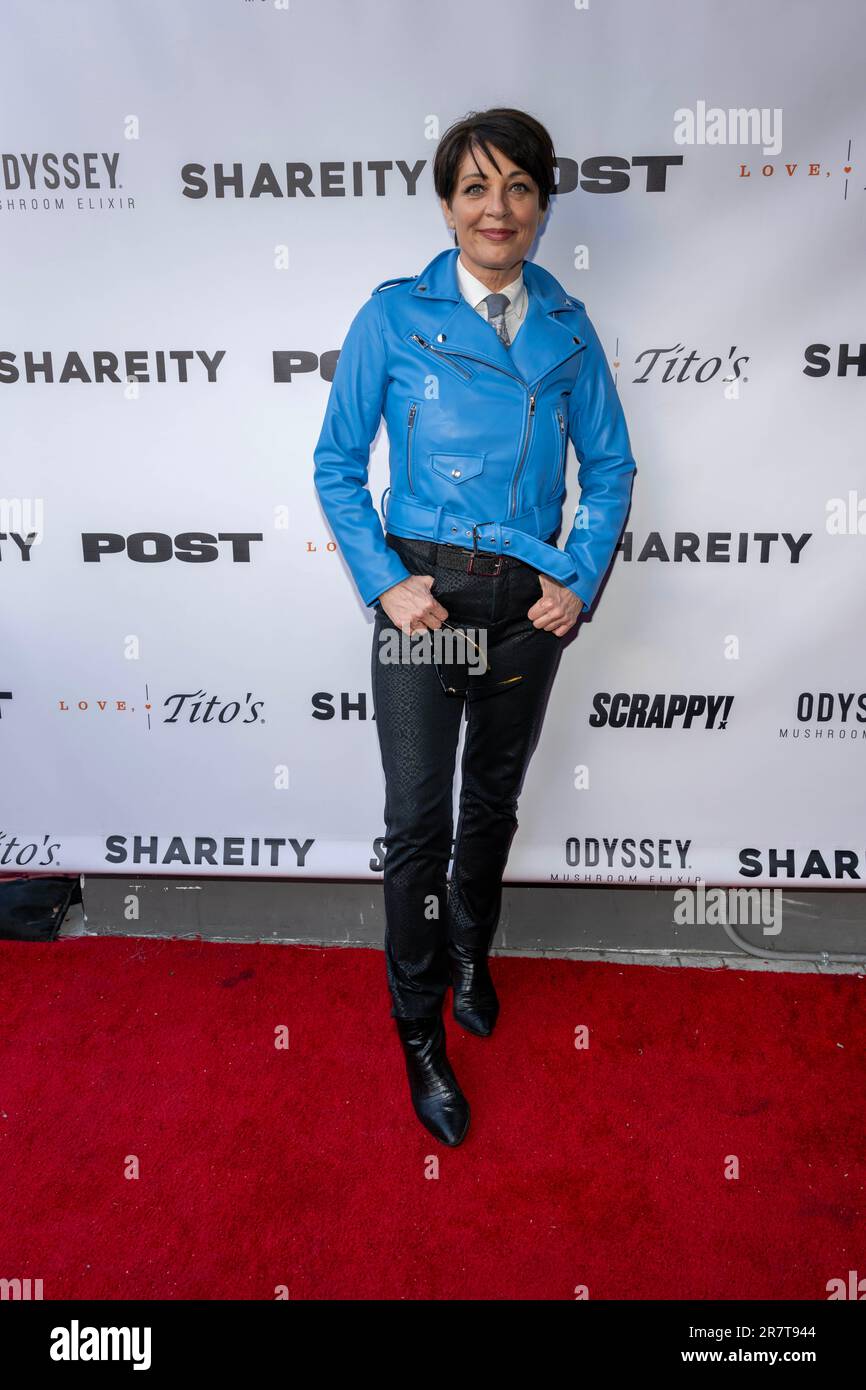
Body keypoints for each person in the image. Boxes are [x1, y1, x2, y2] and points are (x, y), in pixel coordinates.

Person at [314, 108, 637, 1147]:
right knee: (416, 820)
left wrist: (577, 580)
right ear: (446, 204)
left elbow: (611, 470)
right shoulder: (391, 317)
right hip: (429, 604)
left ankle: (468, 953)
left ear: (541, 207)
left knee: (490, 798)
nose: (496, 209)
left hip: (522, 612)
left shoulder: (570, 328)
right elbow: (334, 466)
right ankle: (417, 1030)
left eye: (517, 189)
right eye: (474, 188)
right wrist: (384, 586)